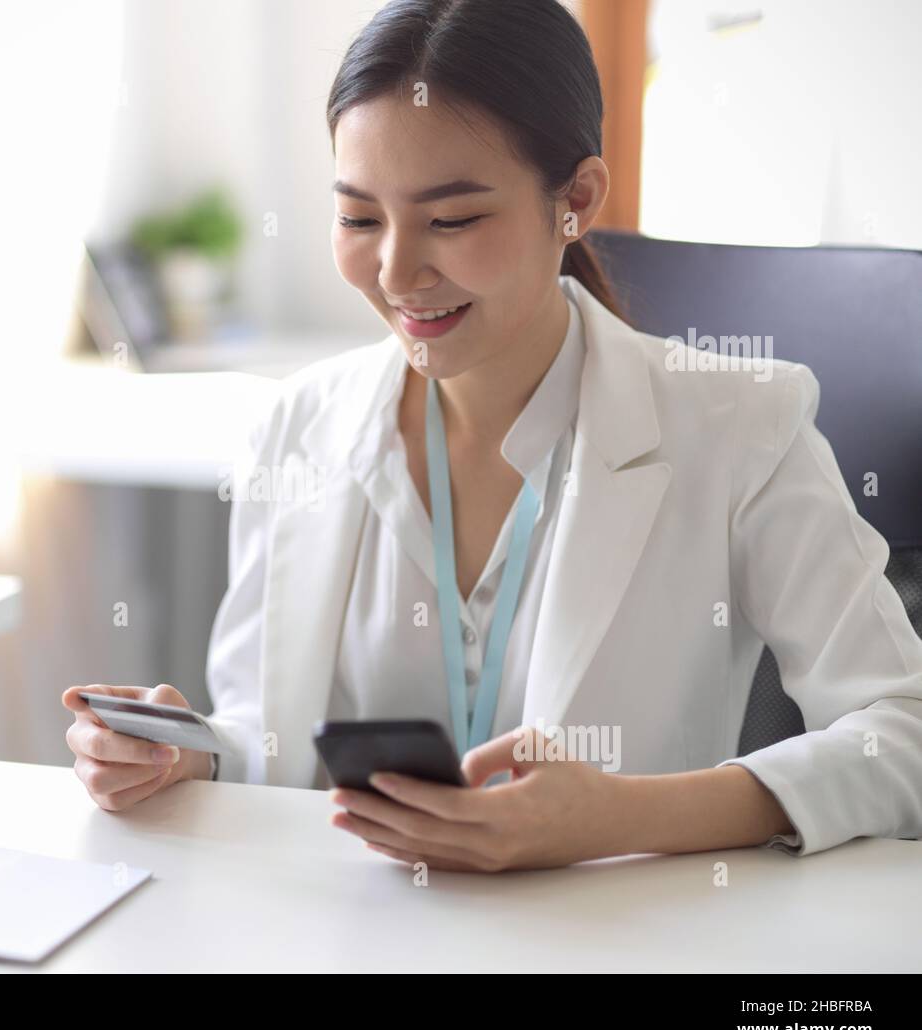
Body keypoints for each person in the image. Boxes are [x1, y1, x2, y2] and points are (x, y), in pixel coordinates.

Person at [64, 0, 922, 871]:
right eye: (360, 219)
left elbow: (904, 735)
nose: (397, 271)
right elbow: (272, 747)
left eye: (452, 220)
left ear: (575, 201)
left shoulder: (742, 427)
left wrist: (621, 817)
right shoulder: (297, 430)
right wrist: (194, 756)